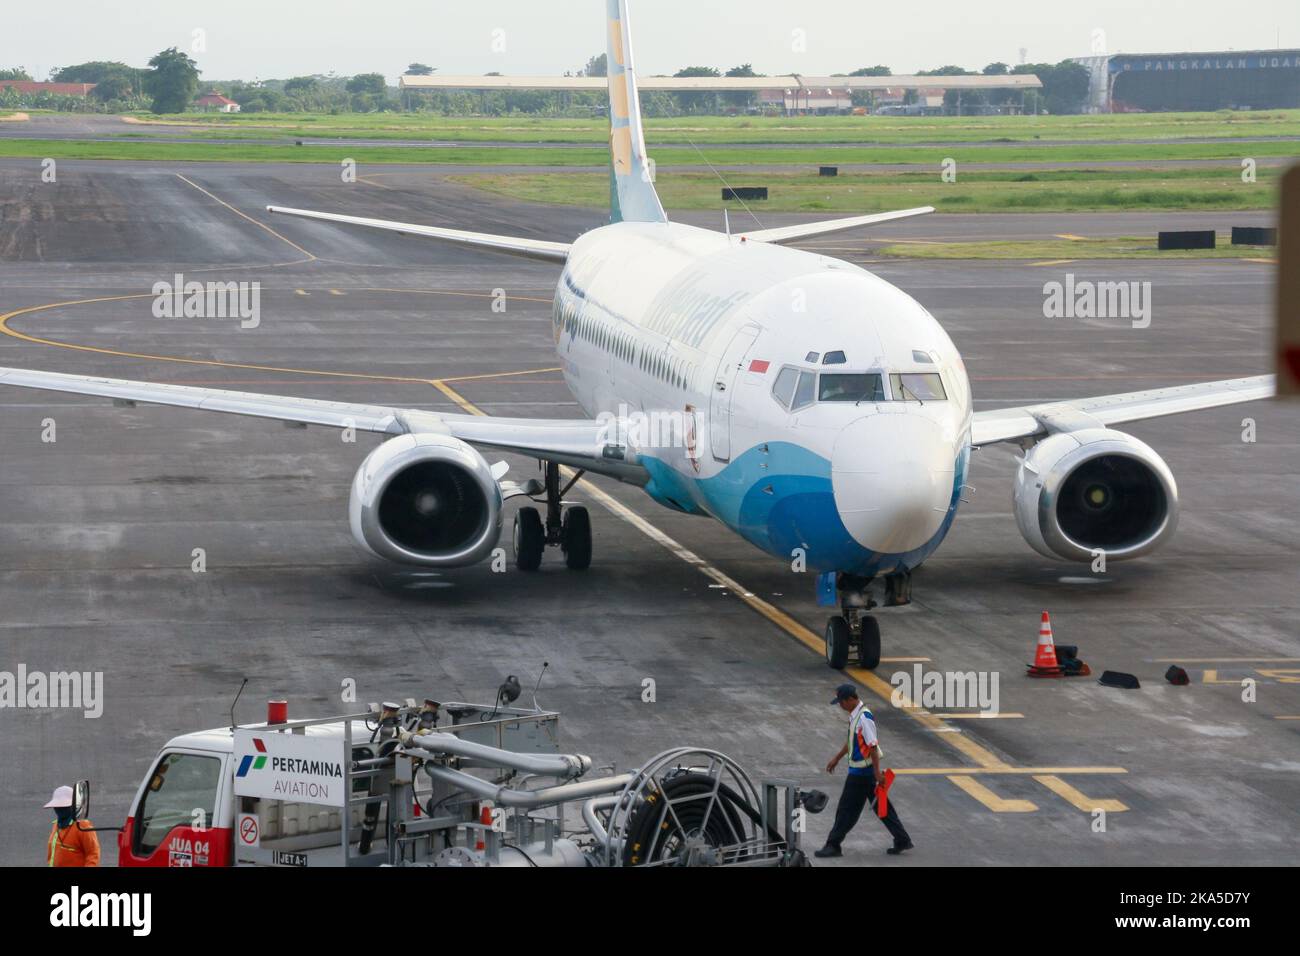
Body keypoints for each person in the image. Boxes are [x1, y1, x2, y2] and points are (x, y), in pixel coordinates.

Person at [816, 683, 914, 858]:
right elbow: (851, 741)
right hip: (864, 772)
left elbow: (873, 747)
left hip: (861, 773)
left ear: (851, 699)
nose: (840, 705)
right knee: (881, 806)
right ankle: (902, 839)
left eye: (842, 702)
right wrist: (837, 758)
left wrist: (877, 773)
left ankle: (833, 845)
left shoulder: (864, 718)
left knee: (846, 810)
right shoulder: (855, 716)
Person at [44, 785, 100, 867]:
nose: (59, 810)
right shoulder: (57, 824)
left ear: (73, 806)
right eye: (56, 807)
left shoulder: (83, 825)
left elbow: (93, 853)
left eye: (63, 807)